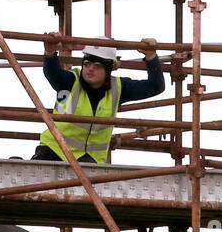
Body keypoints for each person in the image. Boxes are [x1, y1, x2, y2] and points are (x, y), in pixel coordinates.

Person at [32, 38, 164, 164]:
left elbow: (156, 87)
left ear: (108, 69)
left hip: (89, 158)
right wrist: (50, 52)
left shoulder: (118, 88)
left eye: (97, 65)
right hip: (55, 150)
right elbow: (52, 73)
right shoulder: (70, 81)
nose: (90, 69)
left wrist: (151, 56)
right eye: (87, 64)